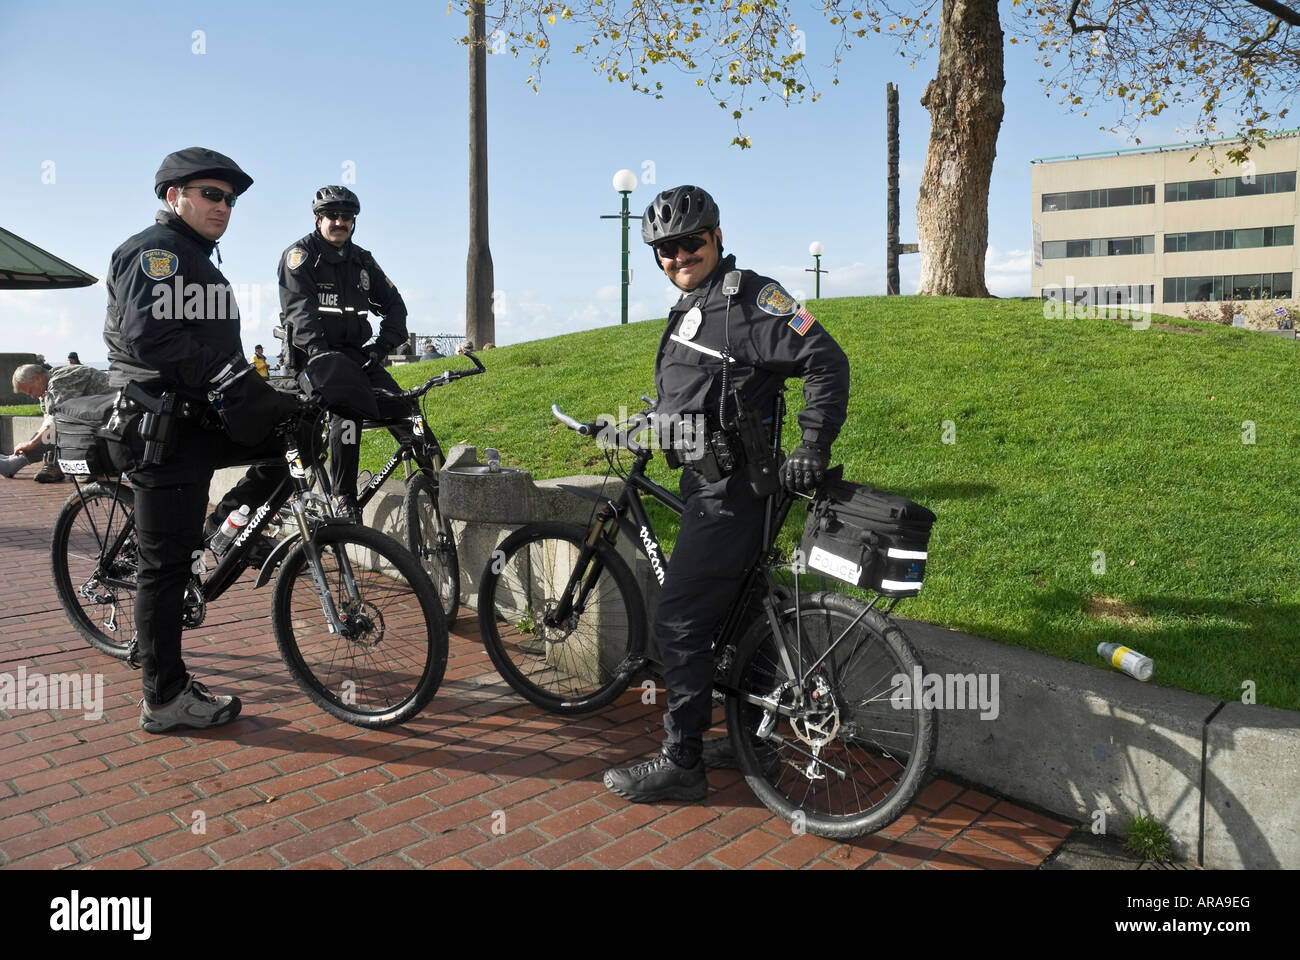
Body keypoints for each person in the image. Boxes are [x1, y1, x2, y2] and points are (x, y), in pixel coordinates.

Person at [602, 185, 851, 803]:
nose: (678, 255)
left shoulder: (752, 301)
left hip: (735, 489)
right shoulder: (696, 304)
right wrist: (646, 425)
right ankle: (755, 738)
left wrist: (811, 446)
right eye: (665, 248)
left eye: (689, 242)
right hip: (703, 480)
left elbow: (826, 360)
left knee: (680, 620)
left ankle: (682, 761)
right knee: (736, 616)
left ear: (716, 237)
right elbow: (698, 392)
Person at [102, 146, 296, 734]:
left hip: (199, 420)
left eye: (231, 199)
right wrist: (230, 379)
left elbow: (215, 346)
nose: (224, 206)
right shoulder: (155, 253)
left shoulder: (196, 257)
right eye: (211, 194)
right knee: (165, 567)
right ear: (174, 197)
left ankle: (225, 525)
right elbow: (150, 339)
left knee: (293, 445)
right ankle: (163, 698)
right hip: (159, 428)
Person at [277, 185, 411, 521]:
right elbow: (301, 314)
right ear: (317, 219)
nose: (340, 222)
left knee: (406, 410)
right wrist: (323, 357)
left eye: (347, 217)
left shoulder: (362, 260)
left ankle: (435, 479)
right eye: (332, 216)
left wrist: (380, 349)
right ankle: (344, 499)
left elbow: (395, 307)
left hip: (355, 356)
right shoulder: (301, 256)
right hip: (313, 359)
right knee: (344, 414)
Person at [1, 362, 110, 481]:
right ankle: (14, 460)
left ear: (37, 378)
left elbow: (56, 421)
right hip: (101, 415)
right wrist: (30, 443)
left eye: (30, 390)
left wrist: (31, 444)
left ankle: (14, 463)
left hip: (116, 415)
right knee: (54, 429)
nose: (32, 396)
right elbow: (47, 422)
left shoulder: (61, 380)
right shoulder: (47, 387)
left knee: (60, 427)